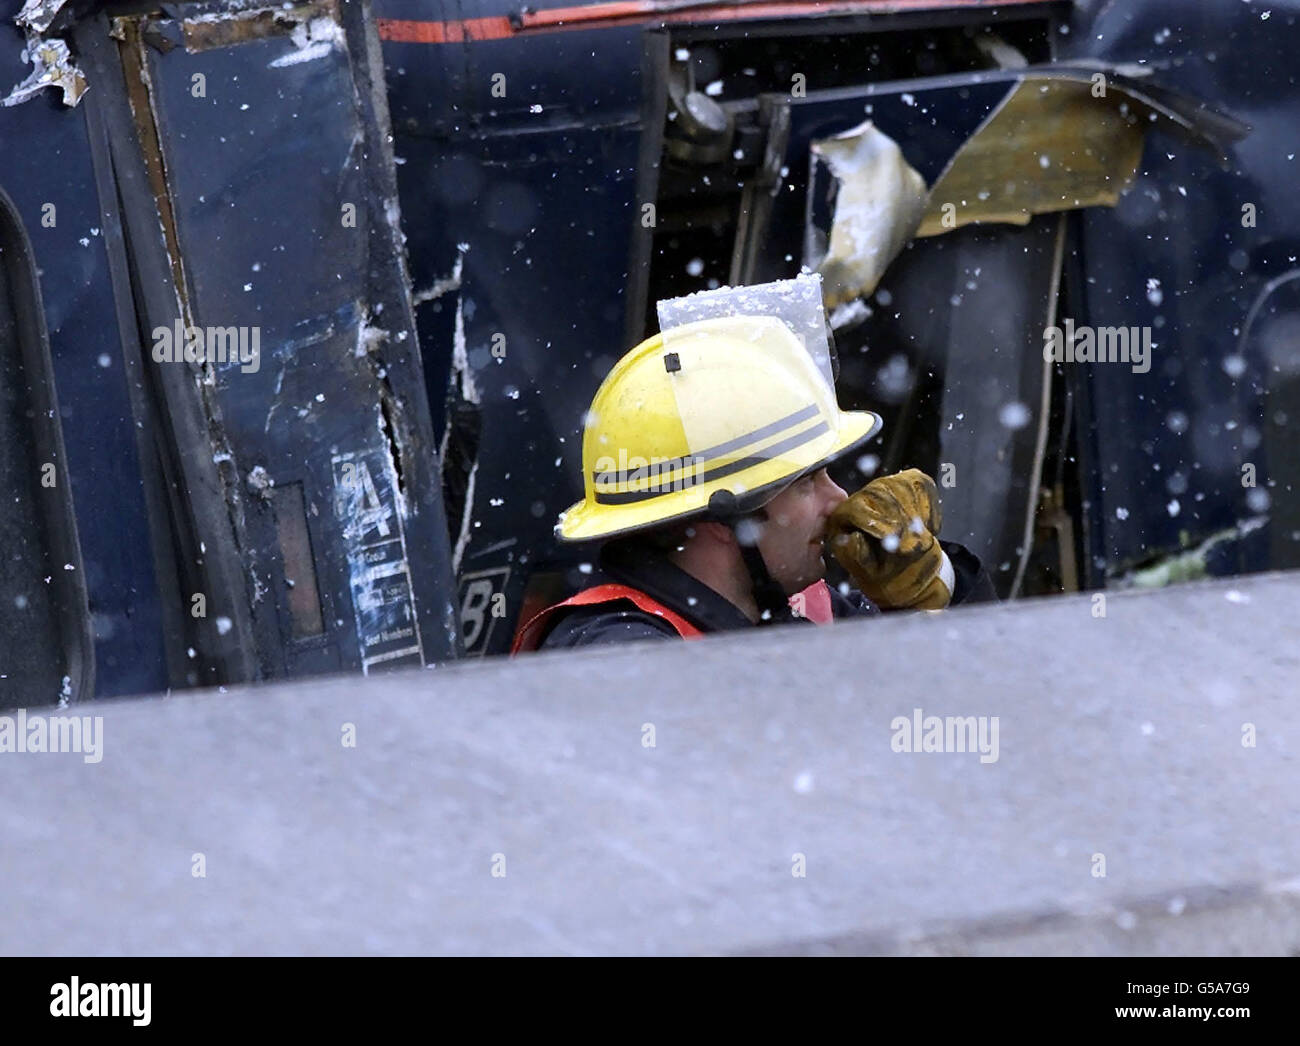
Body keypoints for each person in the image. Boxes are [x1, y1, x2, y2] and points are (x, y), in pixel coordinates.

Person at [511, 310, 994, 652]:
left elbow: (960, 697)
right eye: (806, 482)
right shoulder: (620, 656)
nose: (839, 498)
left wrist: (934, 584)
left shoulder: (793, 609)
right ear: (724, 516)